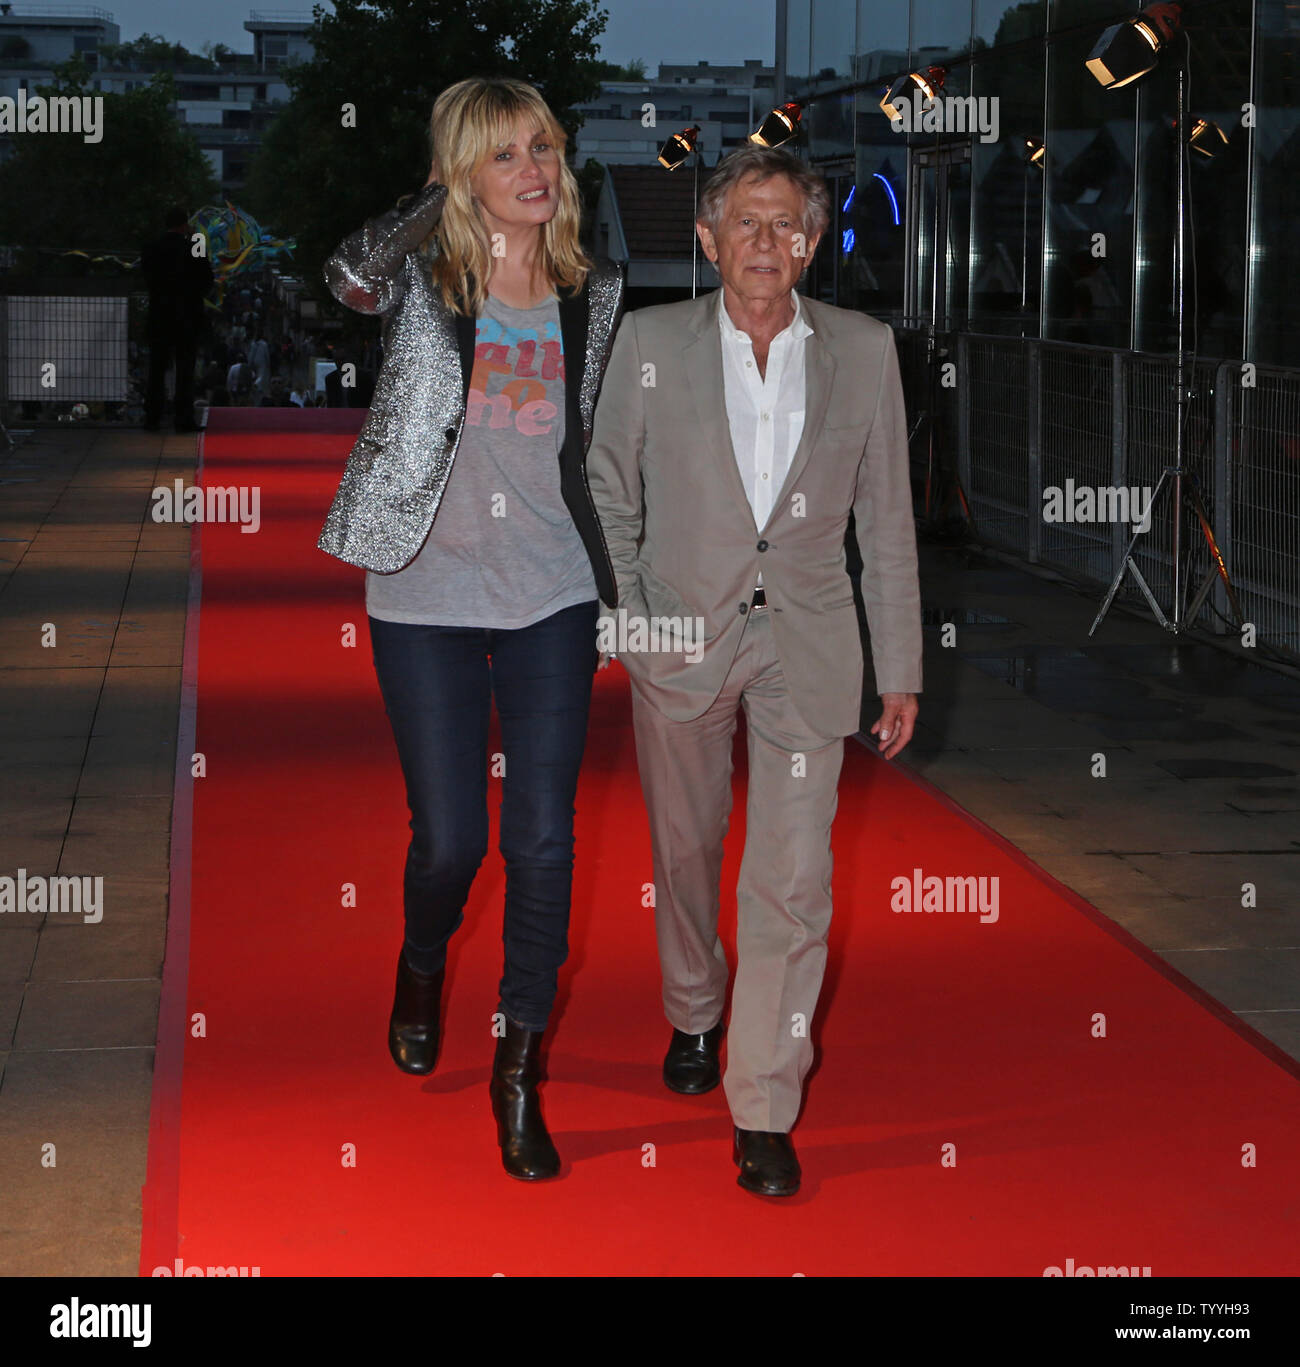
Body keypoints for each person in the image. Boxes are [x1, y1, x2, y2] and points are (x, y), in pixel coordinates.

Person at [585, 144, 923, 1198]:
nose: (766, 244)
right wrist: (635, 624)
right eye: (745, 223)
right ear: (706, 238)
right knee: (685, 849)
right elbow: (603, 492)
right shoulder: (646, 341)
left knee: (791, 881)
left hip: (809, 645)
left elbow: (890, 523)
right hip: (678, 638)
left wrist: (900, 665)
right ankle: (694, 1005)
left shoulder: (865, 350)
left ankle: (764, 1101)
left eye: (786, 226)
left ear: (814, 242)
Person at [319, 76, 625, 1181]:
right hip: (424, 588)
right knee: (452, 840)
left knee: (543, 837)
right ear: (461, 172)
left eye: (543, 149)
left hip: (549, 584)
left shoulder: (598, 293)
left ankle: (517, 1065)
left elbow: (593, 445)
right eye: (505, 155)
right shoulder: (419, 279)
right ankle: (419, 959)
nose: (535, 172)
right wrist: (434, 195)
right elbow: (344, 276)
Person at [140, 205, 213, 432]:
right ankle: (183, 419)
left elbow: (147, 278)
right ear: (184, 225)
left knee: (157, 369)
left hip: (160, 315)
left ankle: (152, 417)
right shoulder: (196, 245)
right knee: (185, 370)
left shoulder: (151, 247)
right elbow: (207, 279)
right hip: (187, 317)